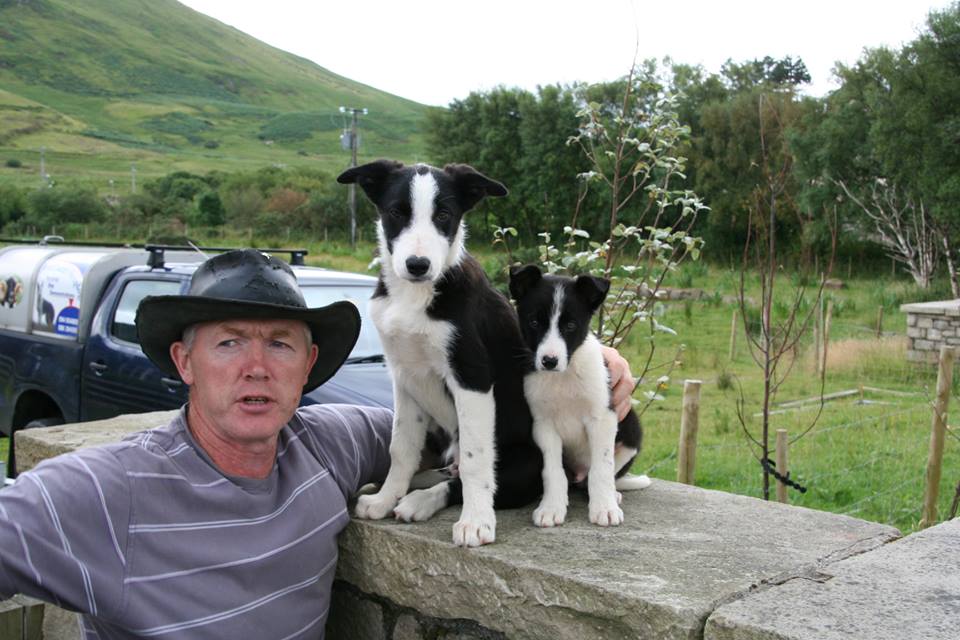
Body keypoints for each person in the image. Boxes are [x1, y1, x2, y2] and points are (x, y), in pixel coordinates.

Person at [0, 249, 637, 639]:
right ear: (184, 361)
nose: (256, 366)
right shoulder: (108, 489)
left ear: (307, 366)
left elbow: (456, 429)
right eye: (228, 342)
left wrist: (580, 359)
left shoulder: (328, 446)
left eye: (279, 343)